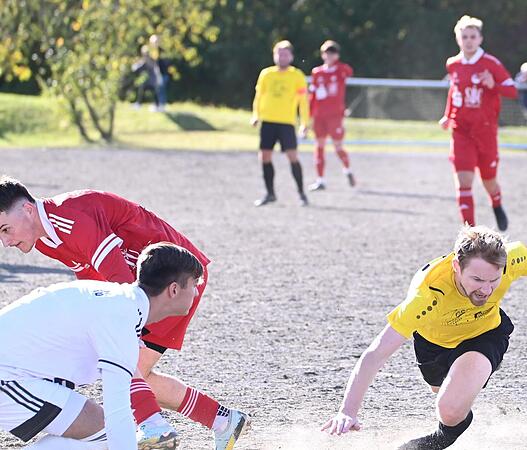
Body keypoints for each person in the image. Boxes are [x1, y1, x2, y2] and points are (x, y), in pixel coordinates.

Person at [0, 176, 251, 449]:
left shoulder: (68, 217)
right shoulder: (46, 238)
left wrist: (123, 328)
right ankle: (221, 420)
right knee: (132, 366)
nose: (5, 242)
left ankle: (155, 425)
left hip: (175, 283)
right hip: (150, 289)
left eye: (5, 229)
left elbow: (119, 278)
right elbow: (91, 275)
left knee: (127, 363)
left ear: (27, 209)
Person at [321, 226, 527, 449]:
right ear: (457, 266)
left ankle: (436, 441)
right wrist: (347, 411)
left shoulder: (509, 259)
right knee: (447, 400)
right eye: (477, 279)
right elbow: (376, 353)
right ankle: (456, 412)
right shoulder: (428, 296)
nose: (487, 290)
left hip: (484, 333)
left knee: (449, 408)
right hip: (433, 344)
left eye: (494, 280)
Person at [0, 242, 201, 449]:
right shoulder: (122, 317)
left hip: (15, 372)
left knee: (103, 432)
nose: (196, 294)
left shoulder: (121, 302)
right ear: (174, 289)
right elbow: (118, 409)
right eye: (194, 284)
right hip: (6, 376)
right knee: (113, 435)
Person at [439, 16, 518, 232]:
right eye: (464, 37)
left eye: (473, 36)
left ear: (480, 38)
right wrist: (447, 115)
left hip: (485, 133)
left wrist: (493, 85)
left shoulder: (490, 63)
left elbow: (512, 90)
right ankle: (470, 235)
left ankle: (496, 202)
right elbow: (453, 91)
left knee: (488, 181)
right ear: (458, 39)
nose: (469, 41)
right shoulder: (453, 64)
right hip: (461, 132)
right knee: (464, 181)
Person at [251, 40, 311, 207]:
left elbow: (303, 101)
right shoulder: (266, 74)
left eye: (285, 54)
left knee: (292, 156)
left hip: (286, 123)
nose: (282, 57)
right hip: (268, 122)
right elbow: (258, 97)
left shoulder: (297, 75)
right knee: (264, 157)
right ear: (274, 55)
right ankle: (270, 193)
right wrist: (256, 115)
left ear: (291, 56)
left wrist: (304, 123)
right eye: (279, 53)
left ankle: (301, 194)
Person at [308, 40, 356, 191]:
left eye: (332, 53)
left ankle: (347, 169)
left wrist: (335, 64)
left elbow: (349, 71)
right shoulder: (317, 72)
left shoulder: (340, 70)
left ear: (337, 55)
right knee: (319, 146)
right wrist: (309, 115)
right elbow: (313, 95)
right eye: (326, 53)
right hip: (319, 116)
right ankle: (320, 179)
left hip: (335, 116)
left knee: (338, 147)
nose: (329, 56)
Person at [131, 45, 161, 111]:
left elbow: (141, 66)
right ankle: (140, 104)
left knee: (153, 92)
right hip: (150, 79)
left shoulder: (149, 59)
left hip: (152, 80)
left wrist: (136, 66)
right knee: (145, 89)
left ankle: (157, 106)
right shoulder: (146, 59)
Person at [148, 34, 170, 112]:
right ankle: (156, 105)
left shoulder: (161, 51)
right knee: (156, 91)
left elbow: (165, 64)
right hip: (155, 75)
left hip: (162, 74)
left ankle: (162, 106)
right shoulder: (152, 51)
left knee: (161, 91)